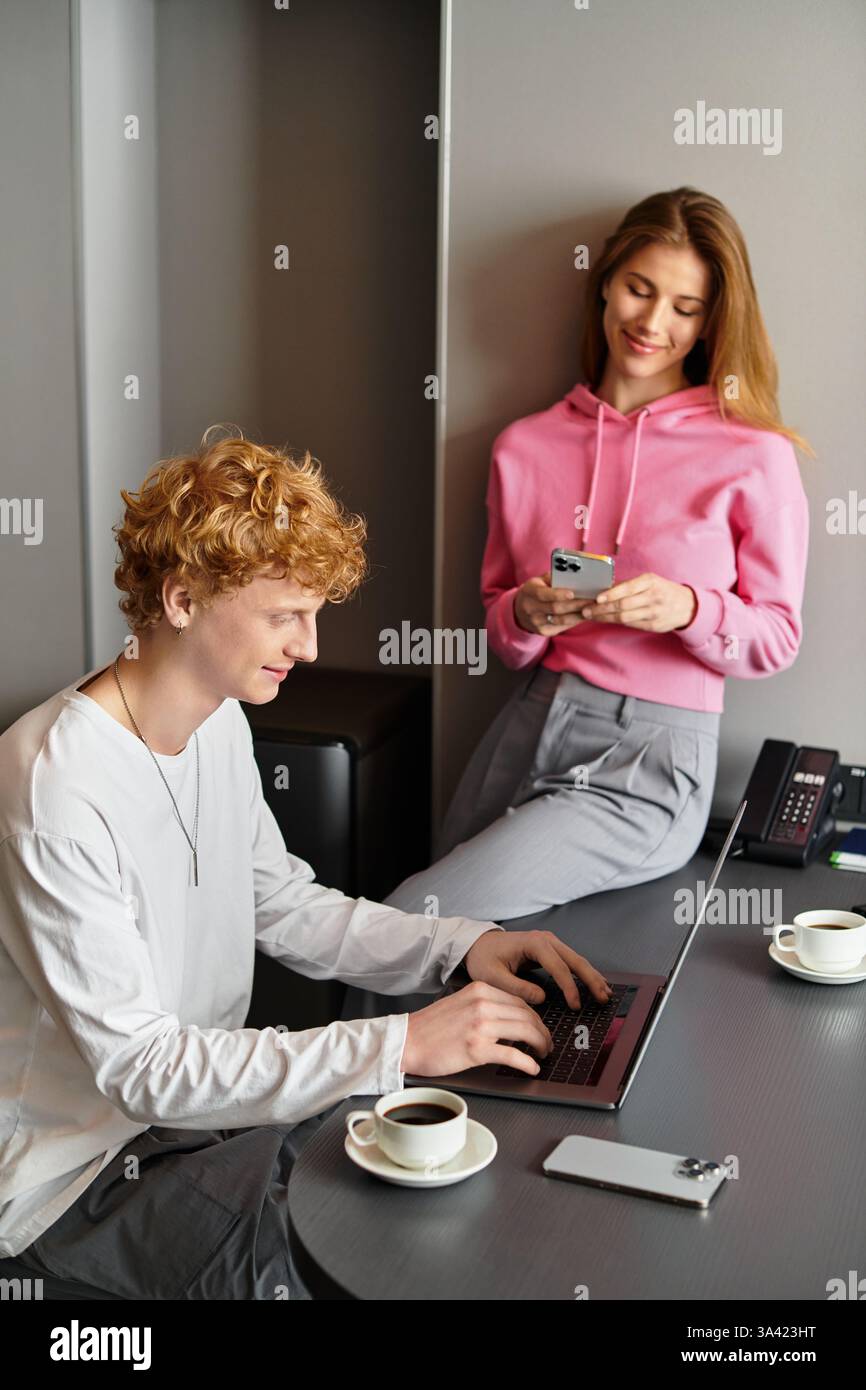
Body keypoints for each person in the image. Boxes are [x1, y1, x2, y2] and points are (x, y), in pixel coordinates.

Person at [0, 432, 612, 1301]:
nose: (312, 645)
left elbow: (281, 904)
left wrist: (461, 945)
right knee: (311, 1277)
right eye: (285, 614)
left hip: (197, 1120)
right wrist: (404, 1041)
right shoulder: (53, 785)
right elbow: (139, 1067)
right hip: (78, 1176)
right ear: (181, 598)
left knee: (424, 1207)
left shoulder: (216, 718)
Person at [341, 185, 812, 1026]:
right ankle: (376, 1129)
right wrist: (526, 614)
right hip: (531, 720)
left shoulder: (753, 454)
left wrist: (690, 608)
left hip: (650, 759)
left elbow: (775, 636)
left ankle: (289, 1134)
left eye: (685, 307)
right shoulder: (524, 446)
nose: (653, 322)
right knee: (433, 949)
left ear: (710, 324)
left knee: (405, 926)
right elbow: (499, 628)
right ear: (603, 284)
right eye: (639, 288)